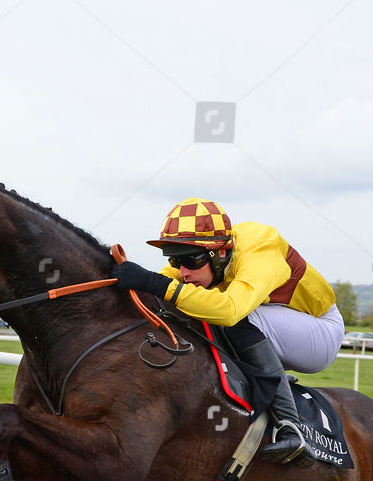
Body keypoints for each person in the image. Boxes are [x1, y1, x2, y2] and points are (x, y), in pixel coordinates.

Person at [111, 198, 344, 463]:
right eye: (176, 260)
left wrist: (154, 283)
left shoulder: (260, 248)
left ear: (221, 253)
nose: (183, 272)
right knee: (191, 305)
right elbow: (159, 283)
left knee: (227, 314)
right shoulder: (207, 256)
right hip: (280, 325)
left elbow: (230, 310)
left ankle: (290, 426)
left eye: (190, 261)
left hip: (320, 330)